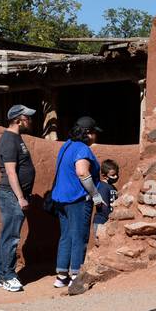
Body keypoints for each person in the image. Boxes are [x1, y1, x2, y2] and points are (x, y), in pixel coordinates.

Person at [48, 117, 106, 288]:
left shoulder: (66, 145)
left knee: (66, 236)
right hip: (77, 199)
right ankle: (76, 274)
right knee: (79, 236)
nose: (96, 136)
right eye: (94, 132)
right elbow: (82, 173)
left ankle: (61, 276)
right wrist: (96, 195)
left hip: (61, 200)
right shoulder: (82, 149)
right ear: (88, 133)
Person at [0, 104, 37, 292]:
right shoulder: (9, 140)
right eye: (28, 117)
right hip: (11, 195)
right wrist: (20, 197)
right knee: (11, 237)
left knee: (8, 234)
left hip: (14, 195)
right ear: (19, 120)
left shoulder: (16, 138)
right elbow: (11, 172)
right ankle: (8, 275)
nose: (30, 120)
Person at [92, 158, 119, 241]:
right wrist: (110, 218)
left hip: (108, 221)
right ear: (104, 176)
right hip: (101, 221)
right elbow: (103, 206)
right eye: (113, 175)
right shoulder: (103, 187)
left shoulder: (112, 187)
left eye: (117, 174)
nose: (116, 177)